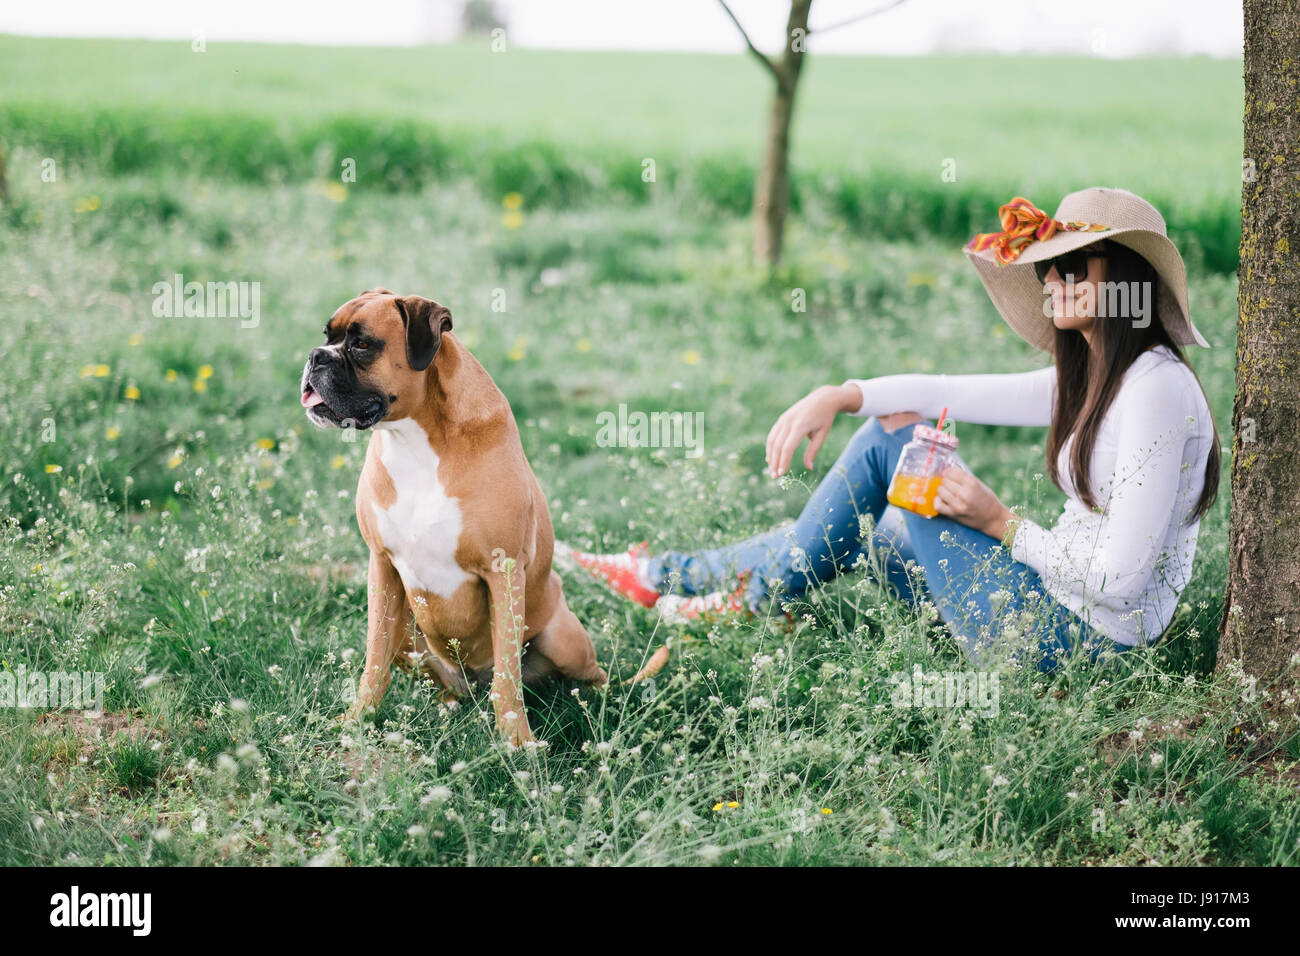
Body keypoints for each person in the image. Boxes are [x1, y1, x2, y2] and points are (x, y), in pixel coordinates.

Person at [575, 188, 1221, 672]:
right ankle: (685, 580)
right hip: (1046, 605)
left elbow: (1122, 581)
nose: (1052, 278)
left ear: (1128, 280)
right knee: (861, 528)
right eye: (1048, 265)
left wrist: (1001, 523)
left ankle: (707, 591)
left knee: (891, 448)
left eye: (1074, 264)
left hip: (1080, 644)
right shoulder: (1101, 380)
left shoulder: (1157, 391)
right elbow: (950, 390)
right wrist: (843, 394)